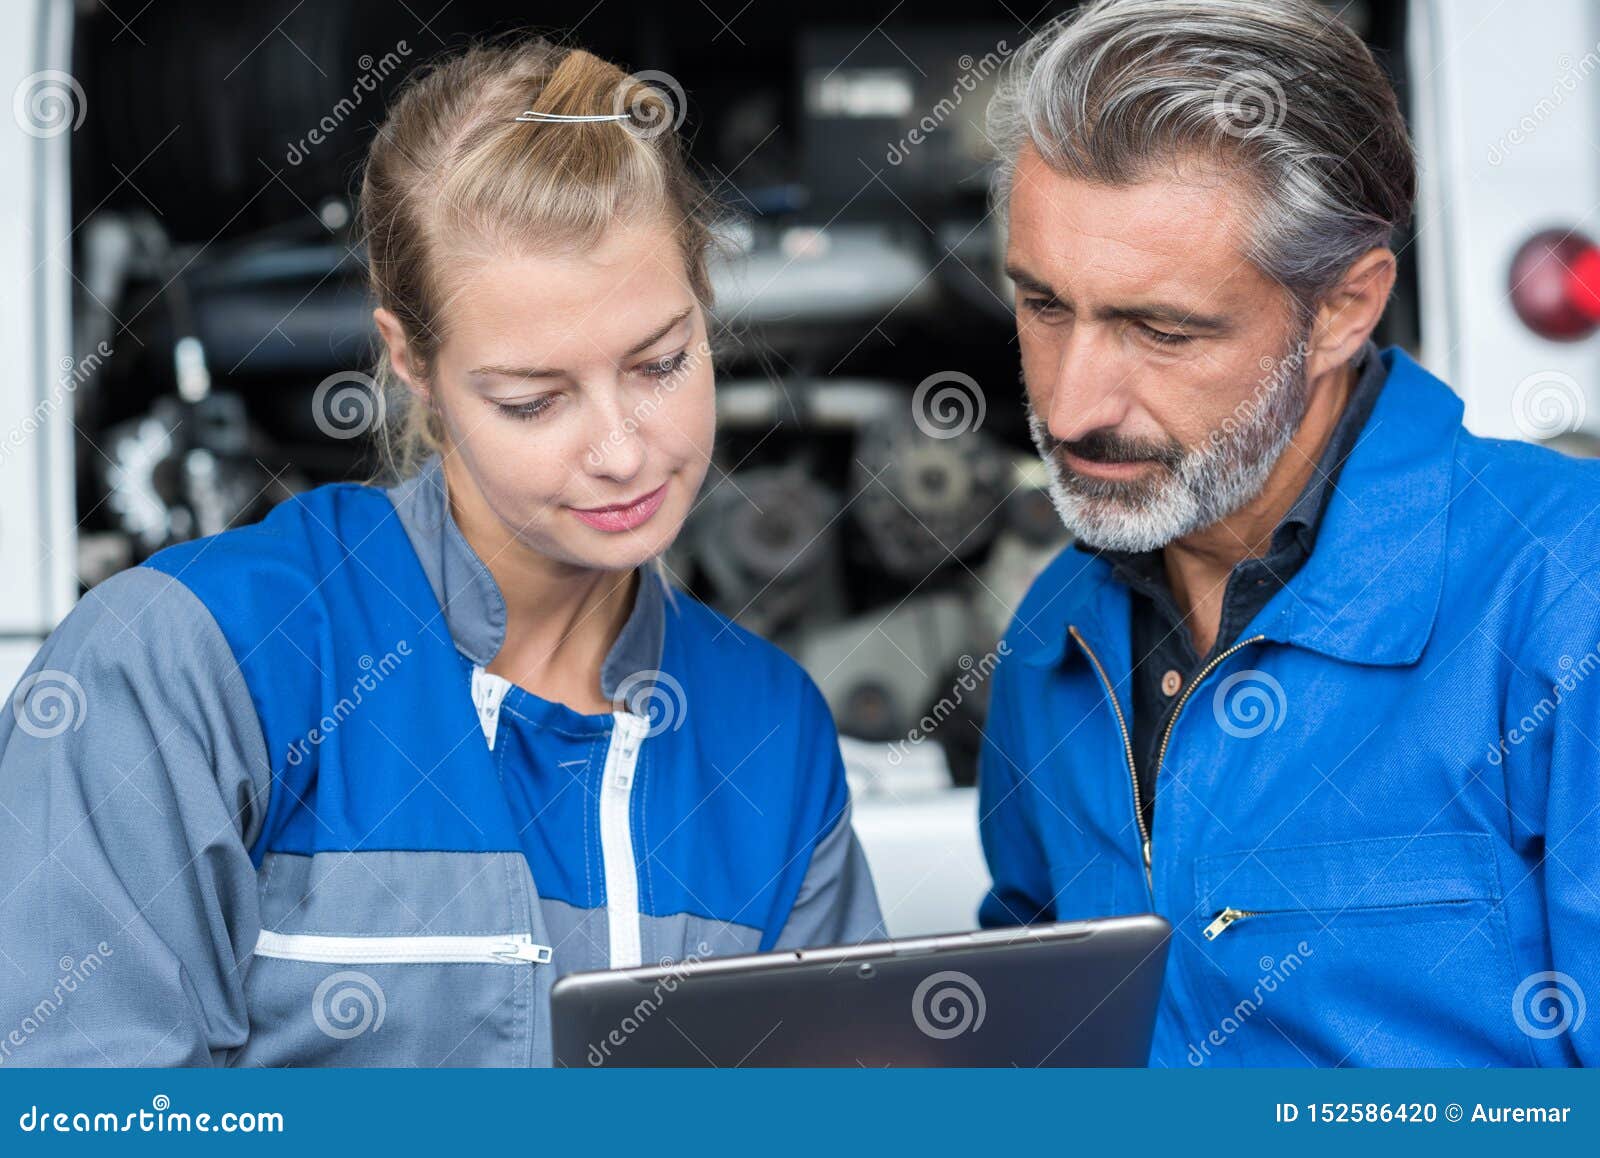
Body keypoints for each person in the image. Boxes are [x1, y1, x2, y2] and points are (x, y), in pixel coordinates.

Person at [0, 38, 881, 1067]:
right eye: (531, 400)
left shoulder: (767, 733)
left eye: (659, 363)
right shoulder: (180, 672)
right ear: (411, 359)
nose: (622, 449)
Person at [977, 0, 1599, 1066]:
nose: (1071, 406)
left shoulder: (1565, 593)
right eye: (1042, 306)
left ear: (1346, 308)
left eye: (1160, 329)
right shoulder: (1058, 636)